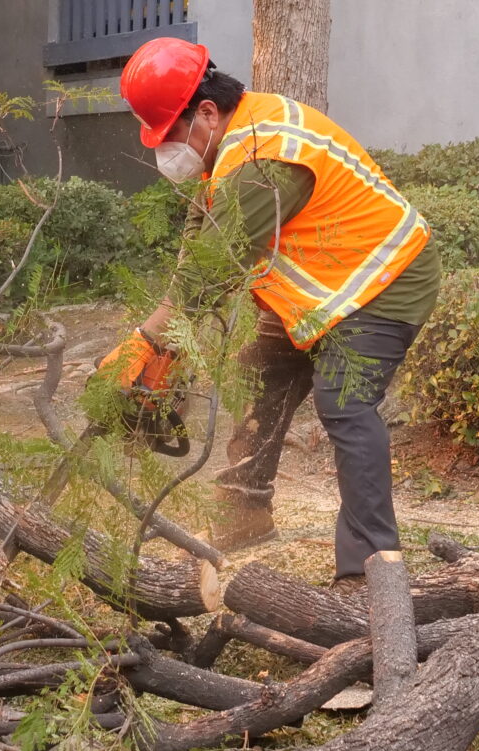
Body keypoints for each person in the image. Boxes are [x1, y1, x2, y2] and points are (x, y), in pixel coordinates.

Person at [103, 36, 440, 585]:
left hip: (384, 280)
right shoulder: (232, 141)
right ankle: (243, 513)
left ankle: (371, 572)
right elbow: (201, 232)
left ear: (205, 112)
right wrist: (171, 343)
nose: (164, 152)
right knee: (259, 373)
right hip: (322, 294)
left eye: (169, 136)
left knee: (345, 405)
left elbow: (212, 267)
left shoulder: (264, 157)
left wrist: (146, 339)